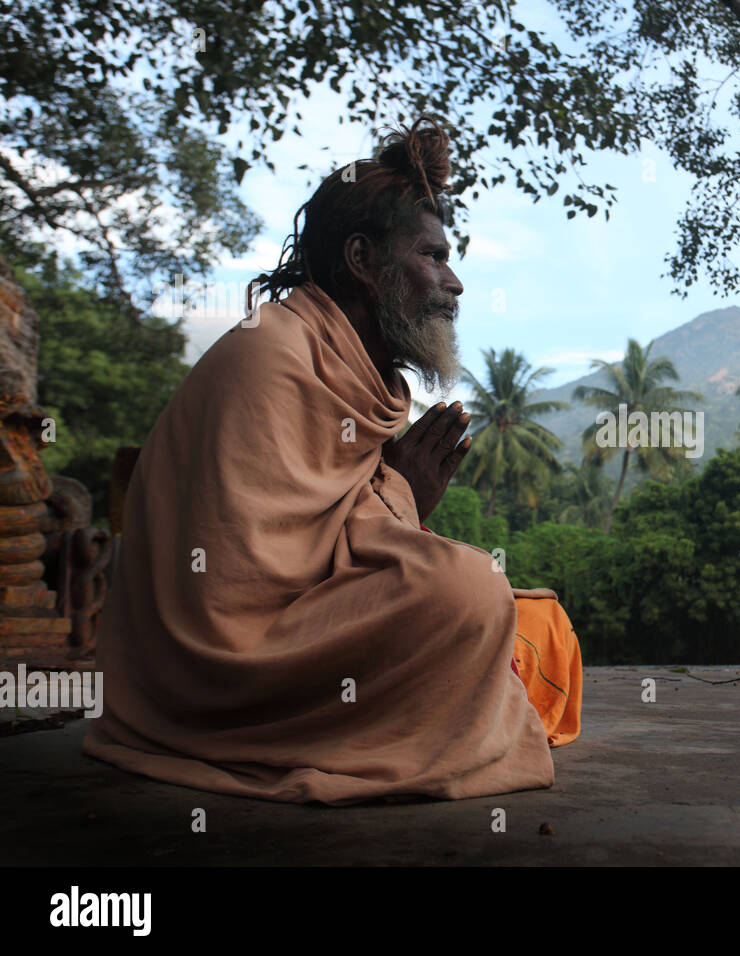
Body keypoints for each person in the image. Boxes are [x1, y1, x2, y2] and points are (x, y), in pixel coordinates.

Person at [82, 117, 581, 806]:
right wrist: (402, 496)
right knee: (468, 591)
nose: (454, 282)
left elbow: (348, 541)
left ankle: (466, 693)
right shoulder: (272, 356)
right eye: (433, 256)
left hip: (310, 627)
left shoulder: (358, 369)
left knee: (540, 624)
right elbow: (250, 585)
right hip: (224, 666)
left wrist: (399, 501)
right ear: (362, 261)